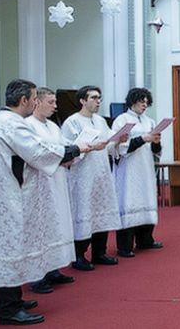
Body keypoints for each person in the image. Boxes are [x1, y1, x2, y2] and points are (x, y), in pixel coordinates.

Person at [0, 79, 88, 325]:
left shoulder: (7, 121)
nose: (36, 102)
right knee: (13, 249)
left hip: (14, 194)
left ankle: (11, 300)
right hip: (11, 197)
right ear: (24, 100)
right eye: (34, 98)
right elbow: (37, 152)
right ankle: (8, 309)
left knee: (18, 248)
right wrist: (76, 149)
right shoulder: (11, 123)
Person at [61, 86, 123, 271]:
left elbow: (109, 146)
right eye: (94, 98)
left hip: (101, 174)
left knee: (102, 211)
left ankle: (99, 252)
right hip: (83, 175)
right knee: (84, 211)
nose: (98, 101)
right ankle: (79, 255)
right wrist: (91, 147)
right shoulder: (72, 122)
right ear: (82, 100)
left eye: (99, 98)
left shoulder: (100, 121)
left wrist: (118, 140)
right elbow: (68, 149)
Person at [25, 88, 77, 294]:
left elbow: (63, 147)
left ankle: (53, 268)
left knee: (57, 223)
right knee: (41, 227)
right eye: (51, 102)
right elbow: (37, 153)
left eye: (55, 102)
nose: (55, 106)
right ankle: (37, 276)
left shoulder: (53, 126)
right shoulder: (28, 126)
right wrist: (62, 157)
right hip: (39, 184)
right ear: (36, 102)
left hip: (57, 180)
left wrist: (71, 156)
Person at [112, 88, 163, 258]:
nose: (144, 105)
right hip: (129, 168)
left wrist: (156, 142)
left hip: (145, 167)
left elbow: (155, 151)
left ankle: (145, 240)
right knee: (129, 201)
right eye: (141, 101)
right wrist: (142, 139)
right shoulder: (122, 120)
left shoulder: (149, 121)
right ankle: (125, 246)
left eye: (147, 102)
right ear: (132, 101)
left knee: (147, 199)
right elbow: (119, 147)